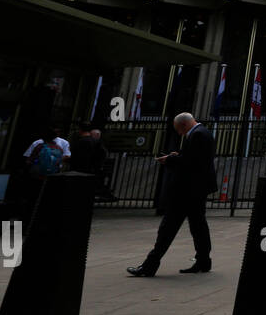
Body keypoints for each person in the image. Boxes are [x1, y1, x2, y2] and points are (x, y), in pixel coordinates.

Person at [127, 112, 216, 276]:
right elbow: (194, 158)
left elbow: (191, 163)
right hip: (197, 189)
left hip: (187, 190)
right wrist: (178, 155)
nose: (179, 133)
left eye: (178, 130)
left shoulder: (197, 135)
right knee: (198, 226)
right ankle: (204, 261)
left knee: (168, 227)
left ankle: (150, 266)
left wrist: (169, 160)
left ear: (183, 125)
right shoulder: (203, 133)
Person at [70, 124, 116, 201]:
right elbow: (103, 154)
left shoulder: (79, 142)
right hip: (92, 169)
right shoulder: (96, 142)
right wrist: (98, 165)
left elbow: (74, 155)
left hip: (80, 169)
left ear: (81, 130)